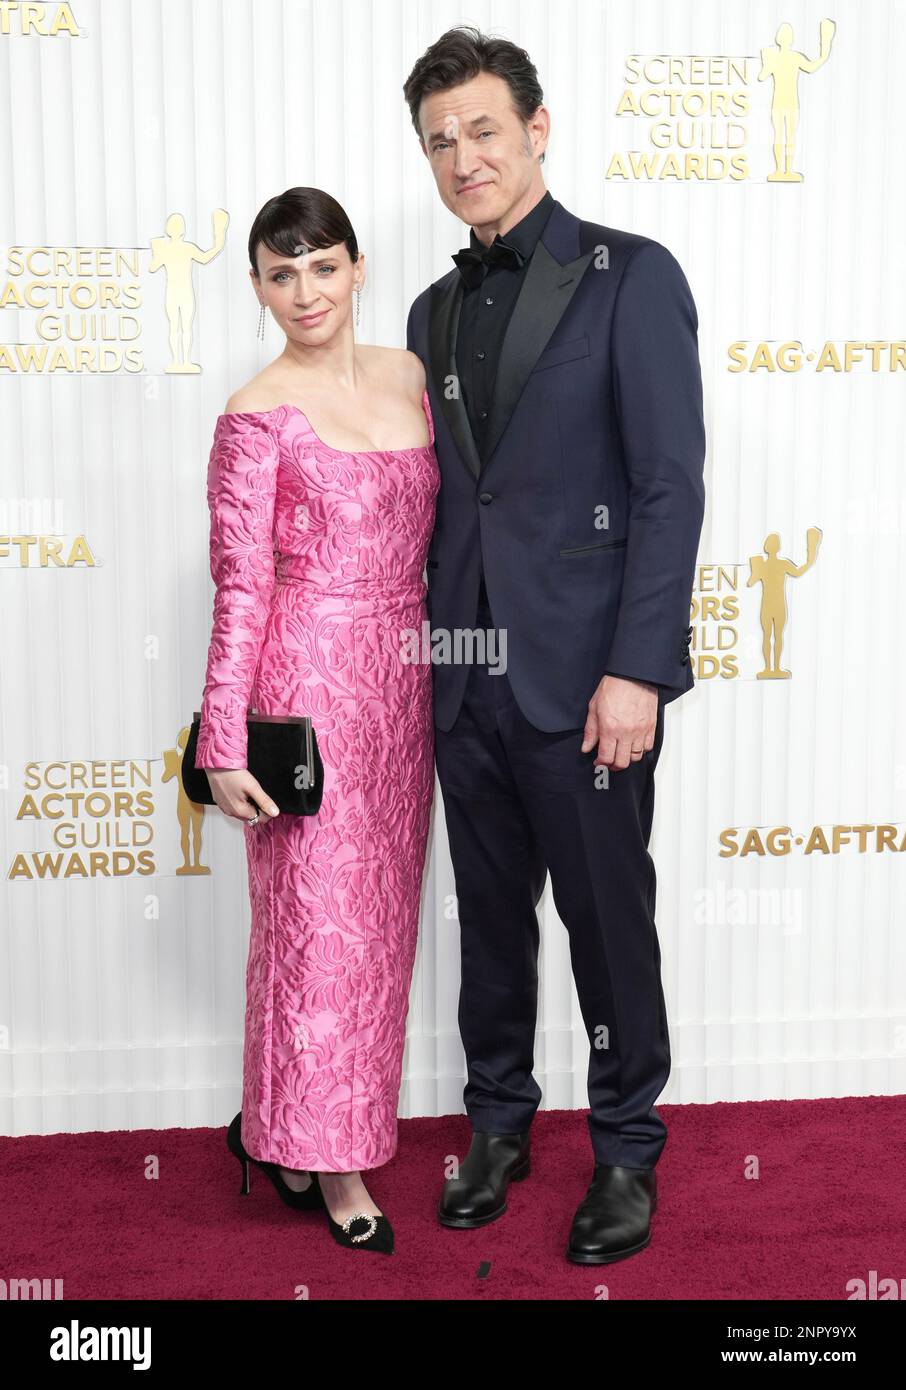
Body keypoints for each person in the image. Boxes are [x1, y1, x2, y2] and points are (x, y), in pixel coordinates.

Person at [403, 26, 706, 1263]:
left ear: (538, 128)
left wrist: (637, 667)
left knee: (606, 917)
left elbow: (667, 488)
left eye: (481, 128)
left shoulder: (630, 274)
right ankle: (498, 1121)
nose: (462, 155)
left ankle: (627, 1144)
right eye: (438, 140)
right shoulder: (426, 310)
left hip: (589, 682)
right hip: (463, 673)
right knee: (488, 918)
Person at [194, 187, 440, 1254]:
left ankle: (278, 1125)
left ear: (357, 268)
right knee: (316, 934)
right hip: (303, 686)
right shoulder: (254, 415)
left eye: (323, 266)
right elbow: (240, 587)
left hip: (405, 685)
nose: (306, 292)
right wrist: (219, 745)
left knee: (375, 935)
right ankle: (336, 1166)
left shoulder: (408, 375)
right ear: (256, 287)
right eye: (281, 273)